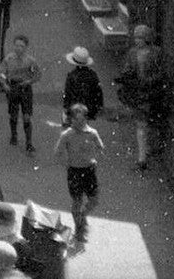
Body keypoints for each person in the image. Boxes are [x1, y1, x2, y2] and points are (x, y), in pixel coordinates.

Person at [115, 24, 163, 170]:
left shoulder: (156, 53)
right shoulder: (132, 53)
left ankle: (147, 151)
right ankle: (142, 157)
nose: (137, 41)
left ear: (147, 38)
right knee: (141, 123)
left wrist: (149, 81)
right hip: (138, 93)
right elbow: (127, 69)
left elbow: (160, 72)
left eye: (140, 38)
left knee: (148, 122)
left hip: (151, 92)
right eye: (136, 37)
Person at [54, 102, 104, 242]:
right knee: (77, 200)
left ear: (86, 119)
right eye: (76, 120)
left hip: (89, 170)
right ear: (71, 120)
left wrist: (95, 158)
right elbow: (58, 152)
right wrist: (67, 164)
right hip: (74, 171)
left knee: (94, 200)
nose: (79, 122)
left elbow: (100, 147)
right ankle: (79, 229)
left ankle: (82, 216)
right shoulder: (67, 135)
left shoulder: (92, 133)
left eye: (82, 119)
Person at [0, 35, 40, 153]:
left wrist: (29, 81)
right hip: (13, 87)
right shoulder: (8, 59)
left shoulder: (30, 61)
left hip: (25, 89)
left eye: (21, 46)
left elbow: (37, 74)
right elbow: (1, 72)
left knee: (27, 116)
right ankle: (14, 135)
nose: (18, 48)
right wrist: (4, 83)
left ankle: (29, 142)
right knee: (13, 114)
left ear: (26, 47)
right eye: (16, 45)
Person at [63, 47, 104, 122]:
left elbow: (68, 95)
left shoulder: (72, 76)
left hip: (75, 110)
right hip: (90, 110)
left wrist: (67, 109)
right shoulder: (93, 75)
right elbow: (98, 93)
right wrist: (98, 107)